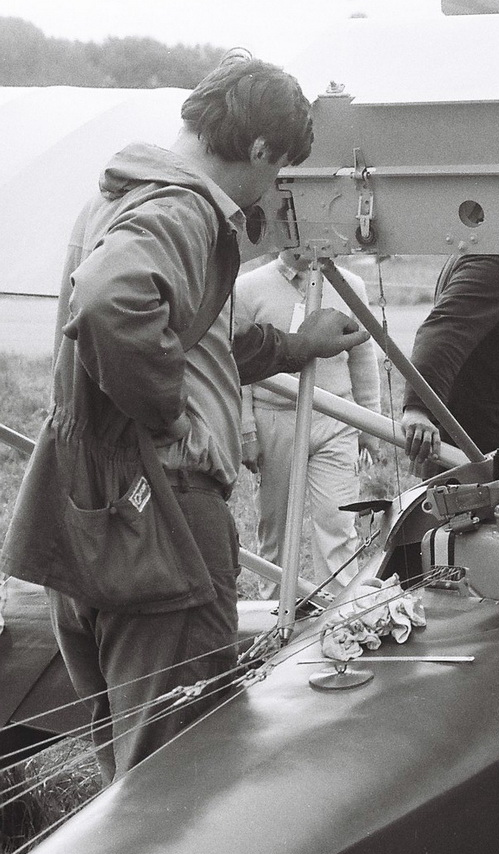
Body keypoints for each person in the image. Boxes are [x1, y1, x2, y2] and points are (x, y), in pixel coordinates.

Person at [0, 55, 369, 782]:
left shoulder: (120, 195)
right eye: (279, 168)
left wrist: (296, 345)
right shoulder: (184, 209)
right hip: (160, 518)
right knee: (178, 777)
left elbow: (188, 329)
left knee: (129, 771)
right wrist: (167, 413)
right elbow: (114, 304)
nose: (273, 188)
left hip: (93, 510)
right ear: (260, 149)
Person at [237, 251, 383, 590]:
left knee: (338, 522)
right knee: (276, 529)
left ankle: (339, 616)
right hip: (275, 419)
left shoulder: (351, 286)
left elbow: (362, 355)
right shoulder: (247, 288)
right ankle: (274, 613)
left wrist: (368, 421)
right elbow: (239, 365)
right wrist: (246, 430)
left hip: (336, 418)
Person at [400, 253, 499, 472]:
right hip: (480, 454)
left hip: (488, 448)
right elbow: (444, 331)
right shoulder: (491, 259)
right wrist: (419, 408)